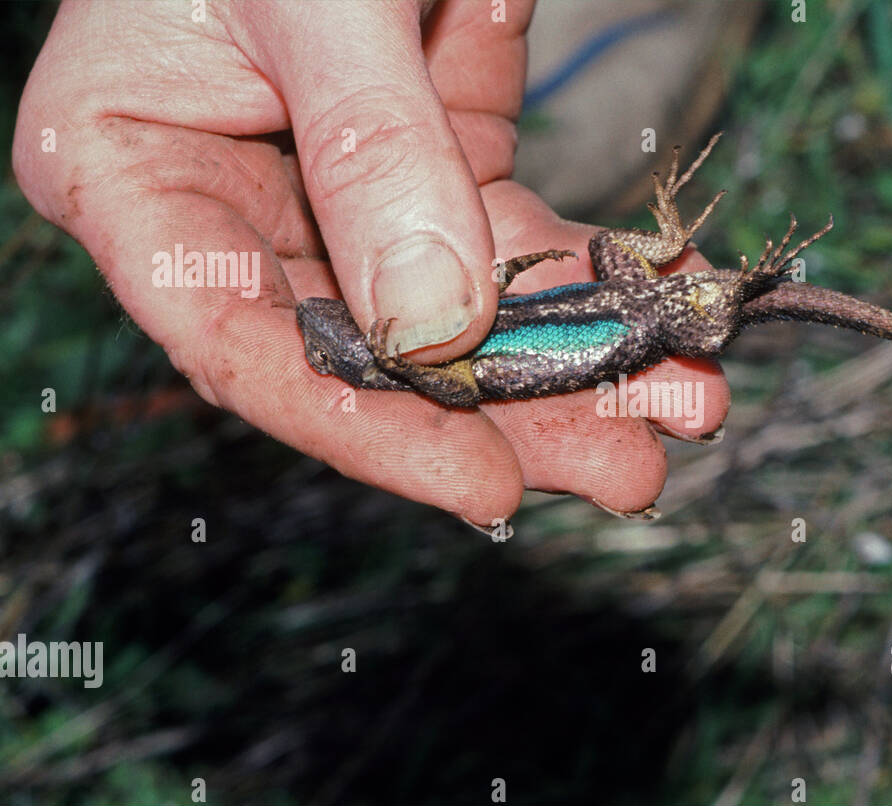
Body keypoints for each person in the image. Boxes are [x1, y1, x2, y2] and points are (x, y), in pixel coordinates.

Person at [12, 0, 729, 534]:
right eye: (330, 348)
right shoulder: (425, 372)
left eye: (328, 341)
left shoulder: (417, 363)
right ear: (360, 361)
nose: (324, 327)